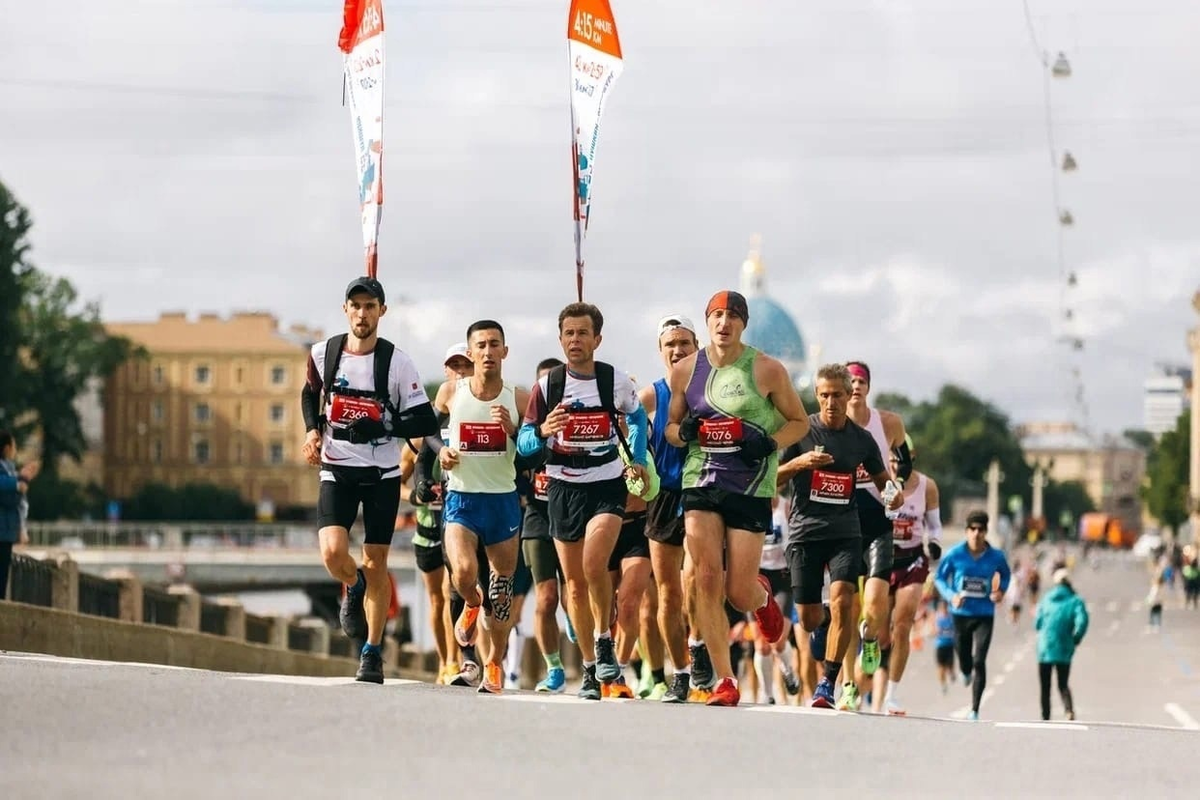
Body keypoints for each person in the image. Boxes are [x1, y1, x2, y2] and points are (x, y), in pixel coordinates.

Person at [665, 290, 809, 707]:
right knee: (705, 578)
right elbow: (672, 428)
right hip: (701, 482)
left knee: (737, 593)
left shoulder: (766, 369)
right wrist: (685, 433)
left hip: (749, 487)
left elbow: (799, 423)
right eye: (716, 316)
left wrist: (767, 442)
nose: (723, 323)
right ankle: (724, 680)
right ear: (707, 321)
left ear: (744, 324)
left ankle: (760, 598)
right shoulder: (686, 371)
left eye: (732, 317)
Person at [300, 276, 440, 683]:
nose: (362, 313)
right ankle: (353, 582)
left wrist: (382, 422)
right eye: (355, 306)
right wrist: (312, 431)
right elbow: (310, 393)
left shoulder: (397, 362)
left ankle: (372, 651)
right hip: (337, 466)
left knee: (377, 561)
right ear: (345, 309)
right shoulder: (324, 352)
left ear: (382, 311)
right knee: (332, 553)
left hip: (381, 472)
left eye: (370, 306)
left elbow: (424, 419)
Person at [517, 302, 650, 700]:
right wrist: (543, 429)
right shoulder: (548, 387)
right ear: (561, 339)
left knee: (594, 562)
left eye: (583, 333)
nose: (575, 340)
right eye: (569, 334)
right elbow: (524, 447)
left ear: (597, 339)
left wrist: (639, 460)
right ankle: (591, 670)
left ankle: (605, 640)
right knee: (573, 586)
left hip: (606, 482)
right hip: (561, 486)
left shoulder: (613, 382)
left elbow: (639, 417)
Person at [777, 363, 903, 709]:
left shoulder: (862, 440)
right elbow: (770, 479)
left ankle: (828, 684)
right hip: (805, 534)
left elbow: (885, 485)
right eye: (824, 395)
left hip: (846, 532)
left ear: (849, 396)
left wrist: (895, 495)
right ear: (817, 396)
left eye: (837, 395)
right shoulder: (800, 431)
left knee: (846, 601)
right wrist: (800, 464)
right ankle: (823, 627)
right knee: (809, 618)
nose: (830, 402)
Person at [435, 320, 529, 694]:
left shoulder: (518, 398)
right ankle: (471, 602)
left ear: (504, 352)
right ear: (470, 352)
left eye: (495, 345)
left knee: (502, 596)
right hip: (462, 497)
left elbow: (534, 450)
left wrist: (513, 430)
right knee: (462, 571)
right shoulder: (449, 392)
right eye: (481, 346)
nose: (488, 352)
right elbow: (424, 431)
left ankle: (493, 666)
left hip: (502, 501)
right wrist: (440, 450)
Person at [638, 313, 708, 703]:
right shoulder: (651, 395)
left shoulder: (710, 389)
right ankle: (679, 672)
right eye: (671, 344)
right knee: (668, 594)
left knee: (696, 581)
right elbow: (623, 422)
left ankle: (698, 648)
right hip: (663, 496)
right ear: (661, 351)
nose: (678, 350)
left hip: (701, 492)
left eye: (685, 343)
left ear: (696, 347)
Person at [839, 360, 909, 711]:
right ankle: (849, 685)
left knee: (875, 605)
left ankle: (870, 638)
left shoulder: (889, 423)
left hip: (879, 520)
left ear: (868, 387)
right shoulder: (833, 423)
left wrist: (897, 489)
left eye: (860, 381)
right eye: (849, 381)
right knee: (847, 607)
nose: (855, 387)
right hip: (845, 520)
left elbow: (905, 460)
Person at [519, 357, 571, 693]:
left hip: (573, 512)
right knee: (546, 598)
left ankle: (586, 638)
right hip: (538, 516)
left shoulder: (578, 413)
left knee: (575, 594)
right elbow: (517, 458)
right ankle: (554, 669)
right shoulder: (529, 422)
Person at [880, 444, 942, 716]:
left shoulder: (927, 486)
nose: (894, 464)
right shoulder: (879, 480)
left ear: (912, 458)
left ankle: (892, 695)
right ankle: (870, 641)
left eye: (900, 459)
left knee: (902, 625)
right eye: (890, 459)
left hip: (913, 560)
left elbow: (935, 525)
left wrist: (936, 543)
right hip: (881, 559)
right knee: (880, 633)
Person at [934, 510, 1011, 720]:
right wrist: (951, 596)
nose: (976, 533)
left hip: (985, 614)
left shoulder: (996, 556)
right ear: (967, 531)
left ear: (986, 532)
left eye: (981, 530)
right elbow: (939, 578)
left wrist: (1000, 591)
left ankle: (975, 709)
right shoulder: (955, 554)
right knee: (965, 659)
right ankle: (965, 671)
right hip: (960, 613)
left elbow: (1005, 574)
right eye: (972, 529)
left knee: (980, 660)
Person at [1035, 567, 1089, 721]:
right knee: (1063, 683)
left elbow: (1037, 622)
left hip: (1045, 647)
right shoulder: (1075, 600)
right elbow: (1082, 621)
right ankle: (1069, 710)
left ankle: (1045, 716)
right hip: (1065, 646)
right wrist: (1076, 638)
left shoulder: (1046, 598)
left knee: (1045, 687)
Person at [0, 431, 38, 599]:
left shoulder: (9, 470)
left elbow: (14, 499)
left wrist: (22, 481)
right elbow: (11, 496)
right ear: (7, 448)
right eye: (14, 446)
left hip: (6, 533)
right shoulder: (6, 472)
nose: (15, 450)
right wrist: (19, 483)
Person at [932, 599, 956, 693]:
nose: (944, 609)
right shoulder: (937, 618)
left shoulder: (951, 617)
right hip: (940, 645)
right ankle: (943, 684)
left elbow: (956, 629)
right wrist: (935, 630)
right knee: (941, 666)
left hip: (949, 644)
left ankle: (951, 673)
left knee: (950, 665)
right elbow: (932, 630)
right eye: (942, 607)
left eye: (945, 607)